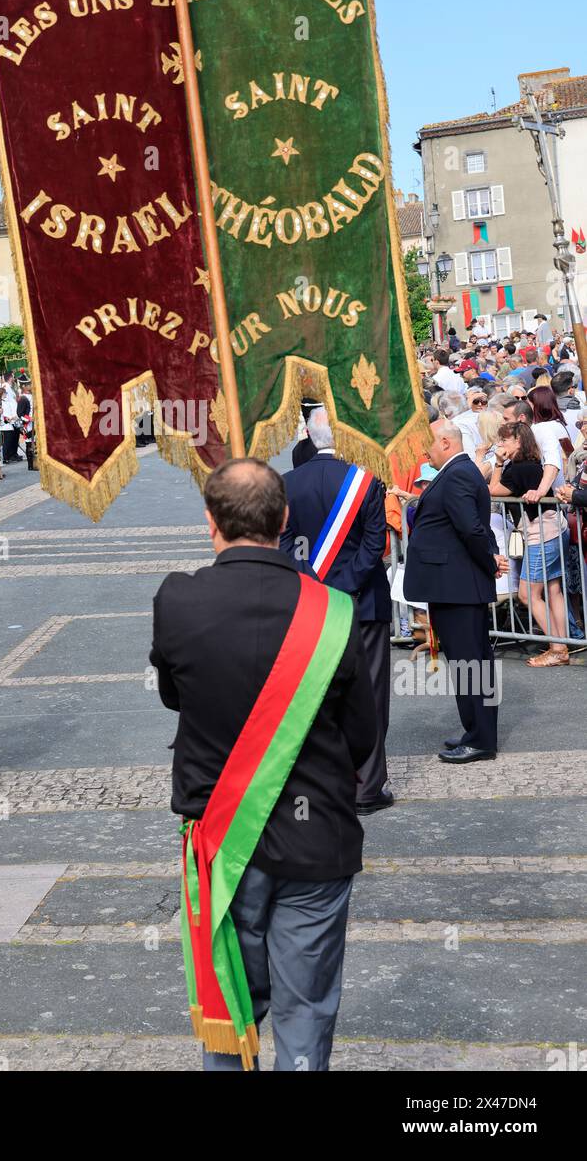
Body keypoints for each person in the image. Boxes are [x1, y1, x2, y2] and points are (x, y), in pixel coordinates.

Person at [150, 458, 376, 1071]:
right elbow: (362, 737)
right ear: (284, 519)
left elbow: (175, 694)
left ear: (209, 523)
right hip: (317, 836)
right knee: (306, 1020)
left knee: (229, 1015)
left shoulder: (177, 598)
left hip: (224, 843)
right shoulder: (333, 611)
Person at [280, 406, 392, 814]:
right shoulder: (365, 482)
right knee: (372, 693)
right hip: (363, 603)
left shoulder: (288, 483)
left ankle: (327, 784)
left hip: (314, 605)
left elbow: (287, 545)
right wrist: (346, 585)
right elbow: (375, 544)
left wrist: (318, 584)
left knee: (320, 696)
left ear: (309, 437)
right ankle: (367, 789)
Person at [403, 419, 508, 763]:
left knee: (471, 663)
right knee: (467, 662)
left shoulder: (458, 473)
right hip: (452, 584)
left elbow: (471, 527)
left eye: (429, 444)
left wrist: (490, 561)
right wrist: (490, 556)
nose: (424, 451)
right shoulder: (456, 471)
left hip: (458, 585)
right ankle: (475, 731)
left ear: (446, 443)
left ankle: (481, 739)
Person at [490, 421, 569, 667]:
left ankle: (558, 649)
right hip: (556, 527)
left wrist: (499, 462)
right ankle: (563, 642)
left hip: (541, 534)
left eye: (504, 440)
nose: (500, 444)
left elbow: (491, 489)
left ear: (518, 441)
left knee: (527, 594)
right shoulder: (532, 464)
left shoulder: (517, 468)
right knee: (553, 589)